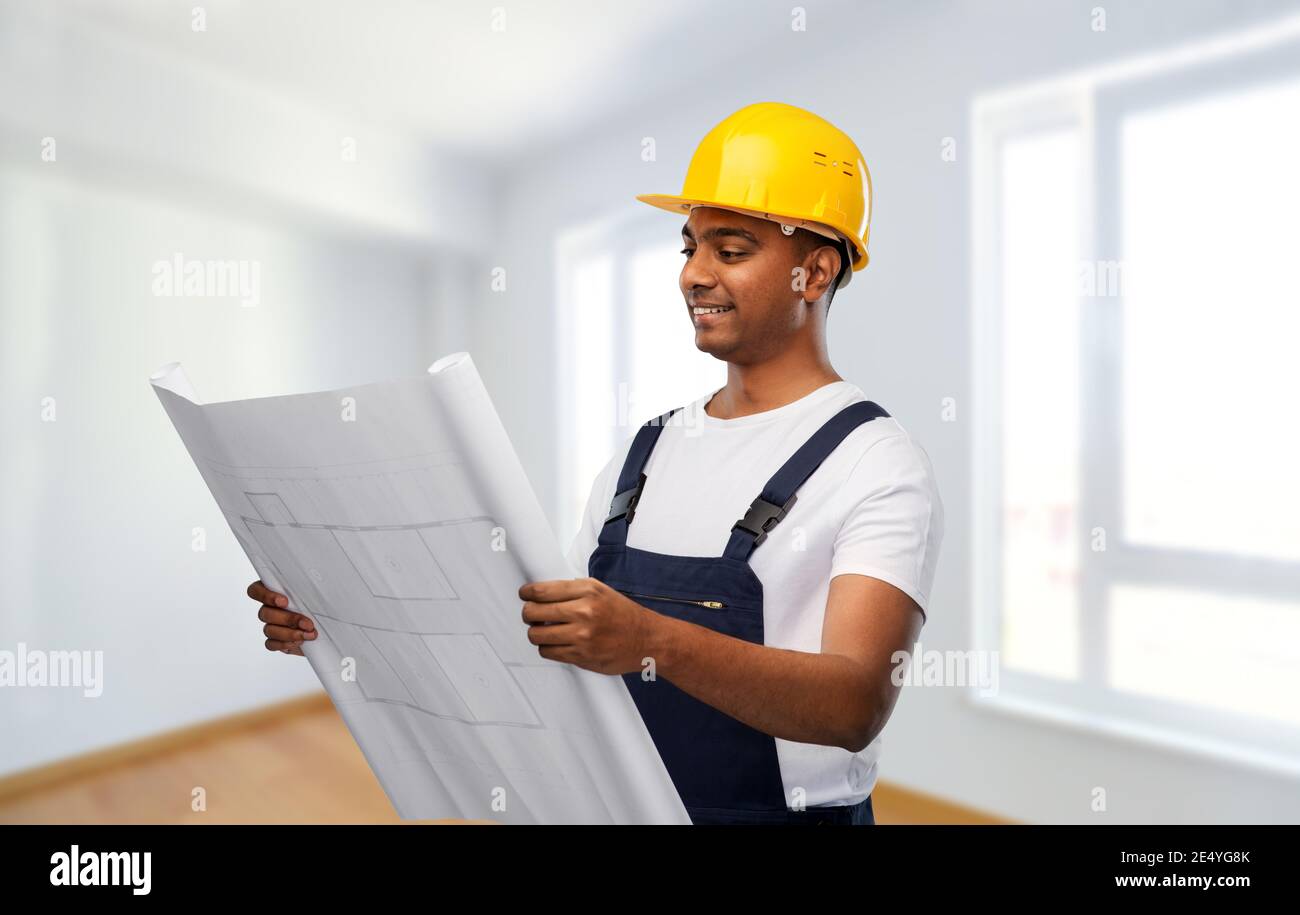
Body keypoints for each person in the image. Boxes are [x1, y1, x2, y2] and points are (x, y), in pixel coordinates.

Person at [250, 101, 944, 826]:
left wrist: (651, 641)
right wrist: (338, 625)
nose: (693, 276)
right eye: (689, 247)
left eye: (730, 250)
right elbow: (548, 647)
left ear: (815, 270)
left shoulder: (875, 460)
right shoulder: (645, 452)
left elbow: (854, 703)